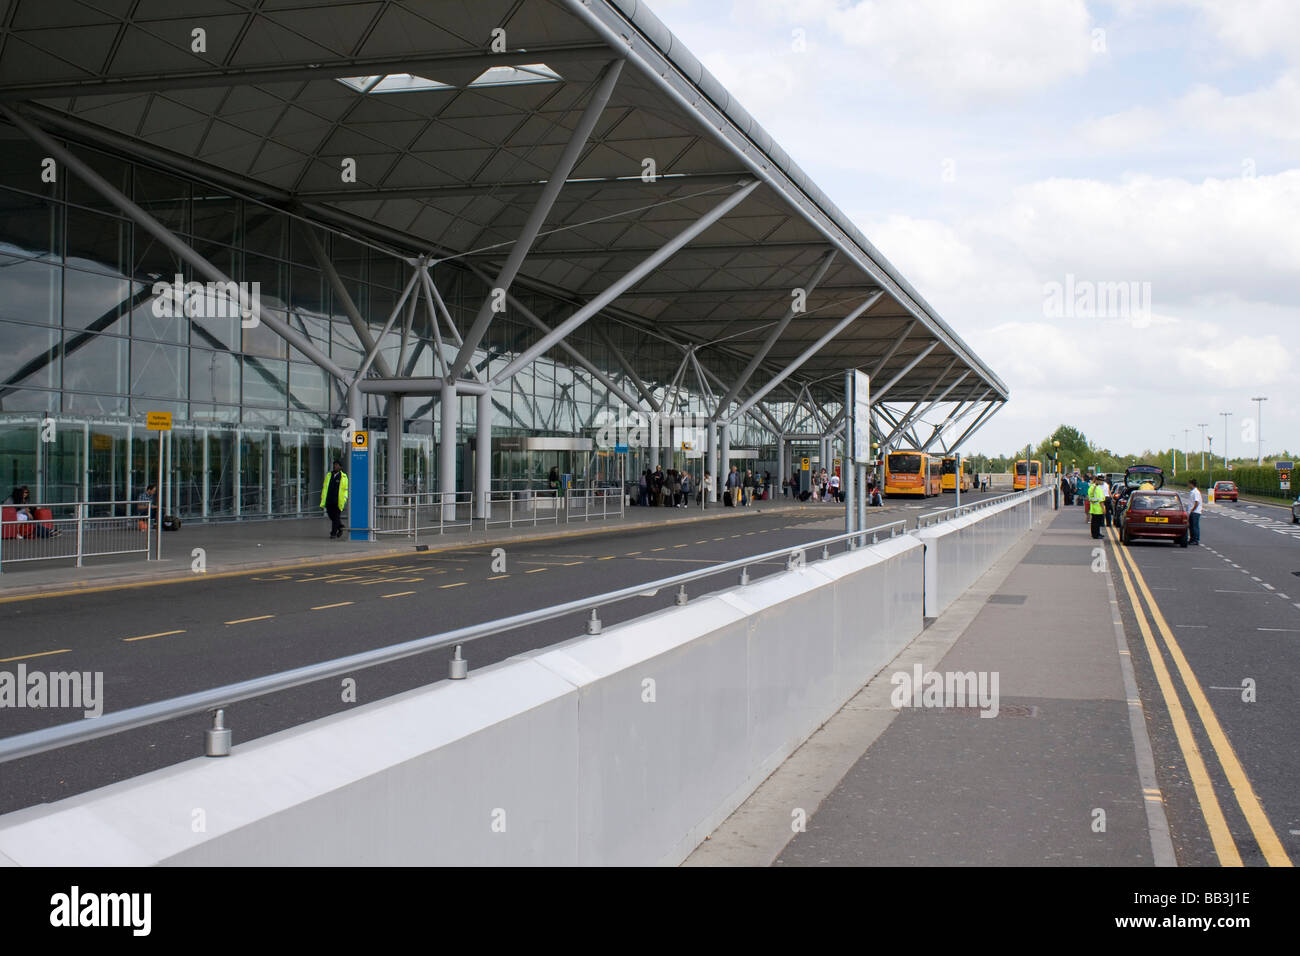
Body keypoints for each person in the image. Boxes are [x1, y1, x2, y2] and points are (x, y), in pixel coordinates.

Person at [321, 460, 349, 539]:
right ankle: (340, 527)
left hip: (338, 500)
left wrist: (344, 499)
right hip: (329, 499)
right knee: (331, 516)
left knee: (336, 517)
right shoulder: (329, 475)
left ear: (341, 467)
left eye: (337, 465)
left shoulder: (343, 477)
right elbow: (325, 487)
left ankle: (333, 533)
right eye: (334, 465)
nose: (335, 466)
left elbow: (346, 489)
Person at [1088, 473, 1106, 539]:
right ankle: (1096, 534)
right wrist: (1103, 509)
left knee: (1094, 522)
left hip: (1093, 507)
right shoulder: (1097, 488)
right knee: (1097, 523)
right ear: (1097, 481)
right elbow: (1101, 500)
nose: (1102, 482)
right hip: (1098, 508)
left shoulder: (1092, 487)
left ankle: (1095, 534)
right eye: (1101, 481)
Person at [1187, 479, 1203, 545]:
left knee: (1194, 526)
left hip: (1195, 512)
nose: (1188, 485)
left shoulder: (1196, 492)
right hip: (1192, 511)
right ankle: (1192, 539)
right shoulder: (1192, 491)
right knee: (1191, 526)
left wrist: (1192, 510)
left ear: (1191, 484)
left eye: (1189, 484)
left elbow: (1197, 502)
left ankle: (1195, 539)